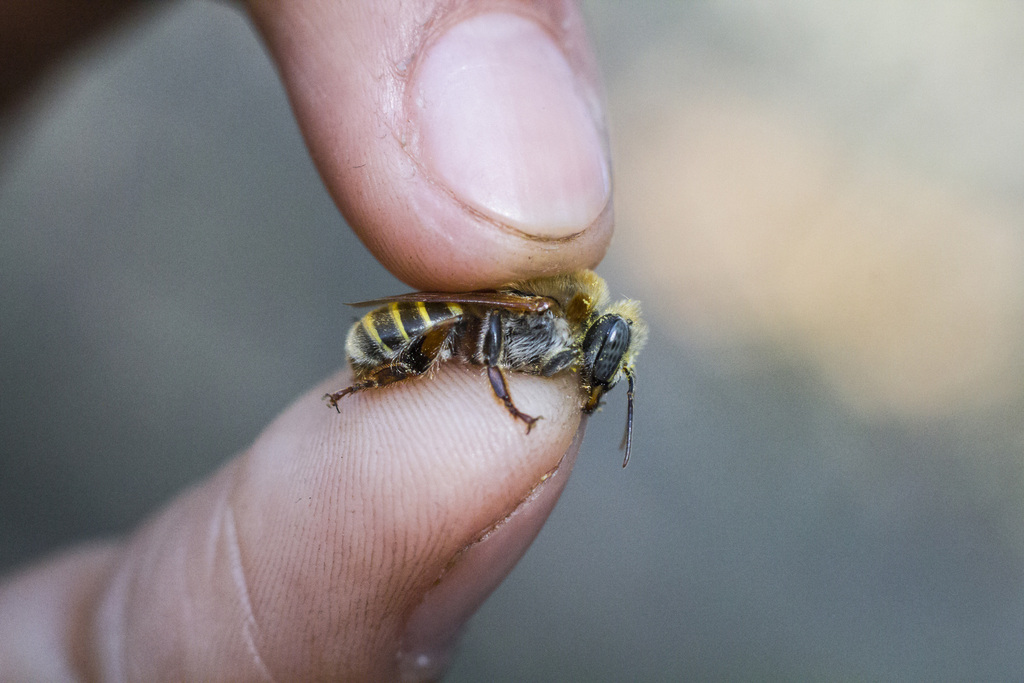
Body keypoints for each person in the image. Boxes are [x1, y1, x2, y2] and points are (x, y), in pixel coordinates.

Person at [0, 0, 614, 679]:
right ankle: (379, 377)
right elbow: (484, 322)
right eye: (604, 359)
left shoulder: (552, 341)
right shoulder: (539, 308)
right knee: (455, 338)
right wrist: (508, 406)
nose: (596, 371)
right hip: (428, 330)